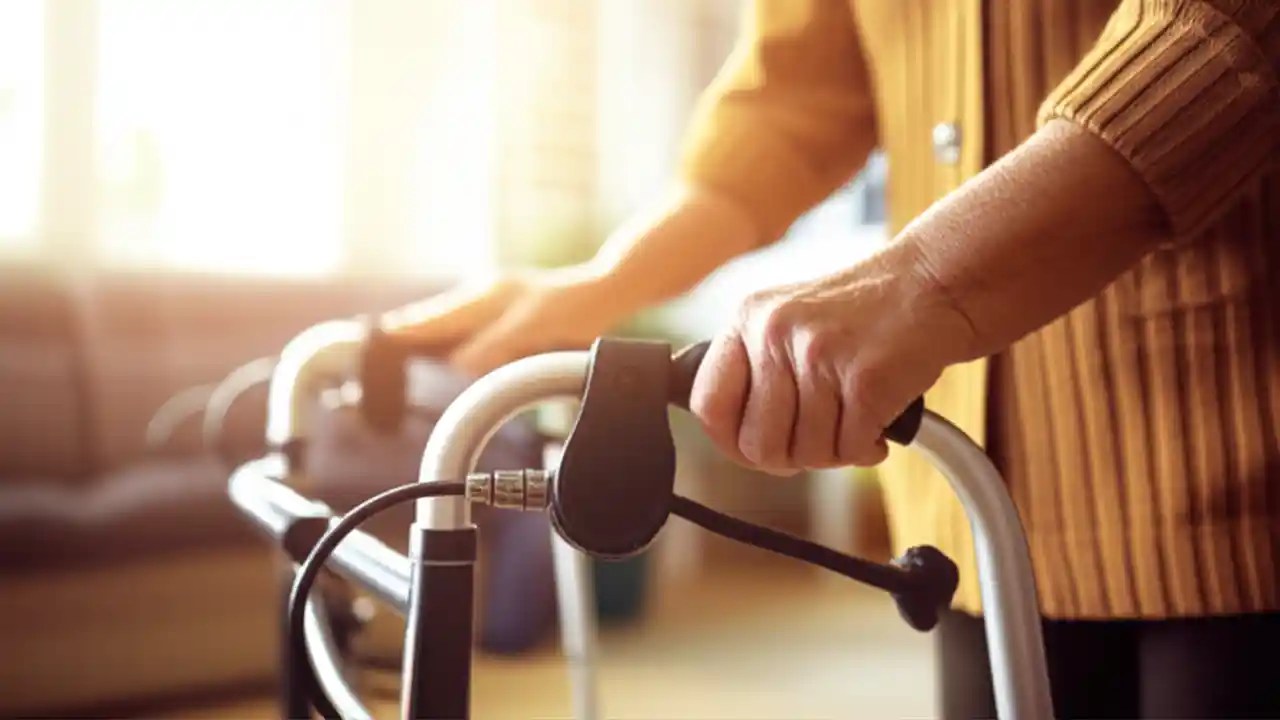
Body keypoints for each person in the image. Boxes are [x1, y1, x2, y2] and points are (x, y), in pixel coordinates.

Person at [385, 1, 1280, 717]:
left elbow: (1230, 30)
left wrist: (923, 279)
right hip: (975, 473)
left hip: (1227, 436)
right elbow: (792, 102)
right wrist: (595, 285)